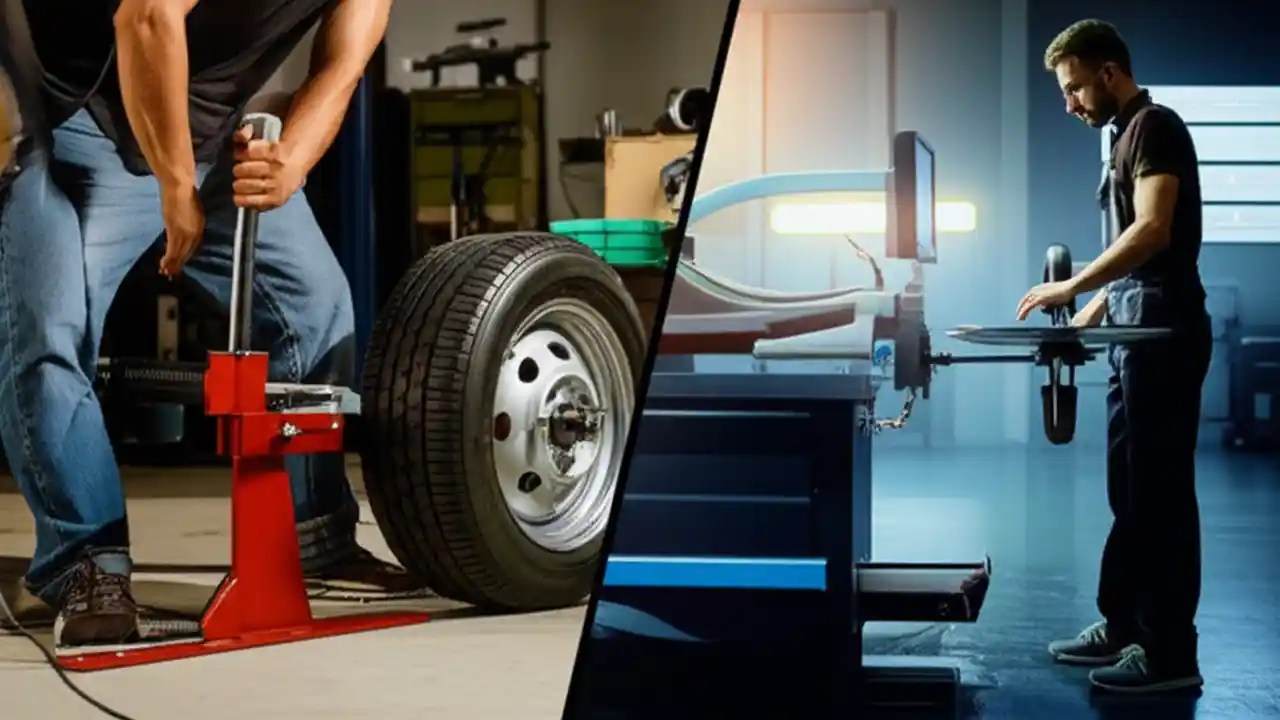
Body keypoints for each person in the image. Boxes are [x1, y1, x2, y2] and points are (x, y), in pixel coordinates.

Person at [0, 0, 420, 649]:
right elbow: (145, 17)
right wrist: (175, 188)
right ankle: (88, 560)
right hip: (79, 117)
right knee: (52, 328)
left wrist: (293, 161)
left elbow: (341, 67)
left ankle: (311, 541)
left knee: (315, 305)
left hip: (214, 131)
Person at [1015, 19, 1211, 694]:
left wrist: (1074, 285)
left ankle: (1168, 657)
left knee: (1160, 497)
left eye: (1073, 87)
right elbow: (1136, 247)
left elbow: (1155, 229)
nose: (1068, 102)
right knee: (1128, 491)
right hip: (1133, 331)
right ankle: (1125, 625)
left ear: (1108, 73)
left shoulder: (1155, 126)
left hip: (1164, 333)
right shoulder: (1119, 138)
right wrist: (1100, 306)